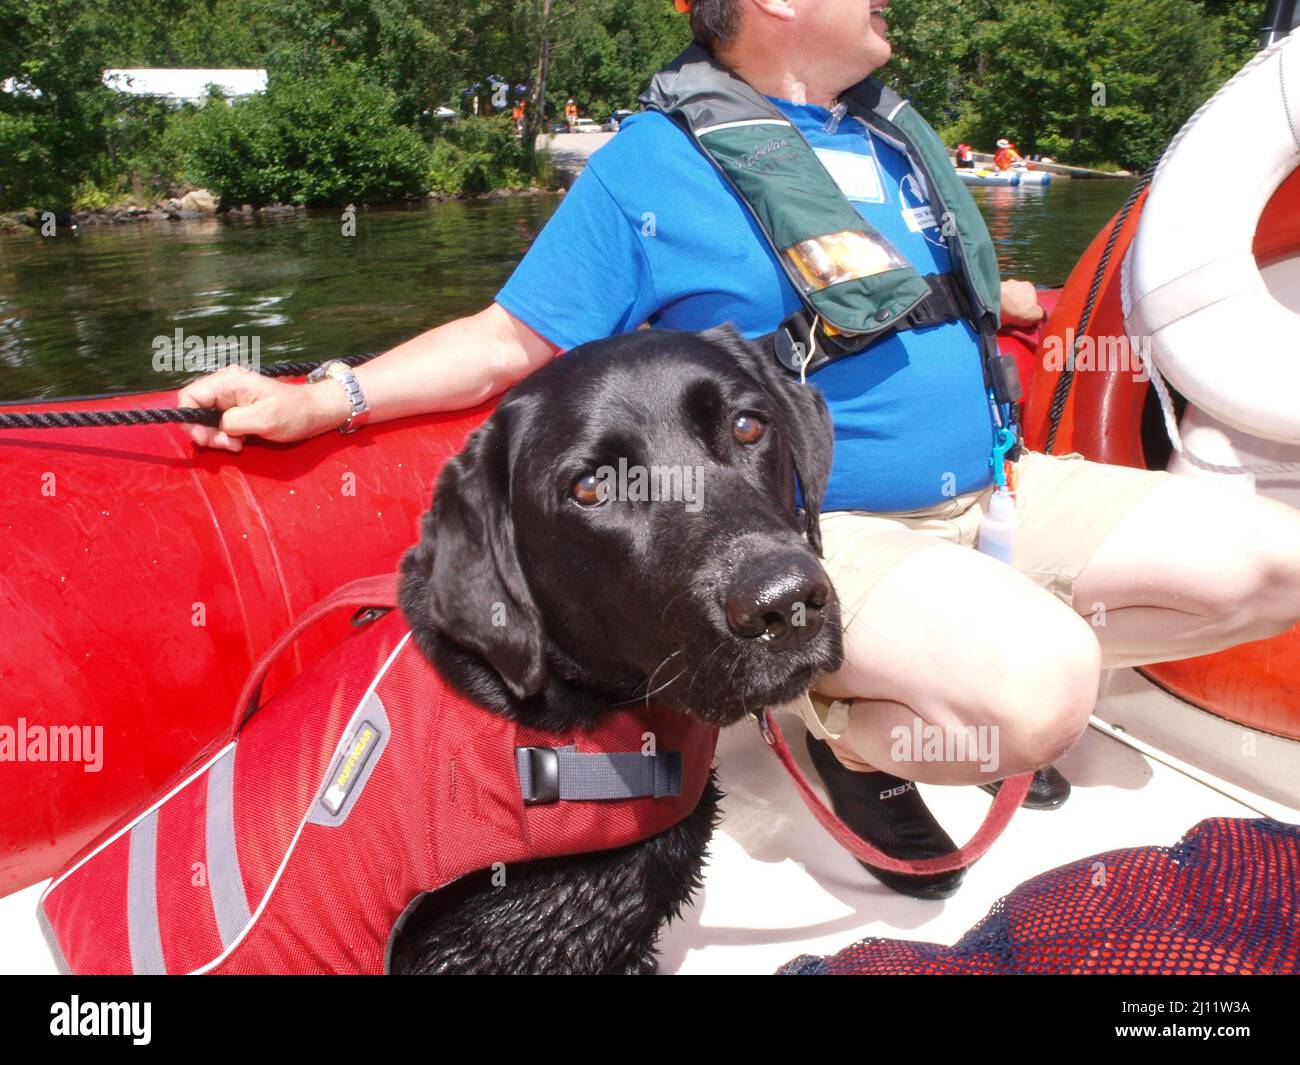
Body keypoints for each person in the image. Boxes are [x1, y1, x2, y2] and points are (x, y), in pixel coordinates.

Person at [178, 0, 1300, 901]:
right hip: (822, 531)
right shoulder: (647, 169)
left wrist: (1005, 297)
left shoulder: (883, 142)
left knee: (1277, 558)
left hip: (1001, 491)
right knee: (1042, 697)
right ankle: (839, 735)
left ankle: (950, 670)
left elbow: (920, 297)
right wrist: (327, 395)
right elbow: (508, 340)